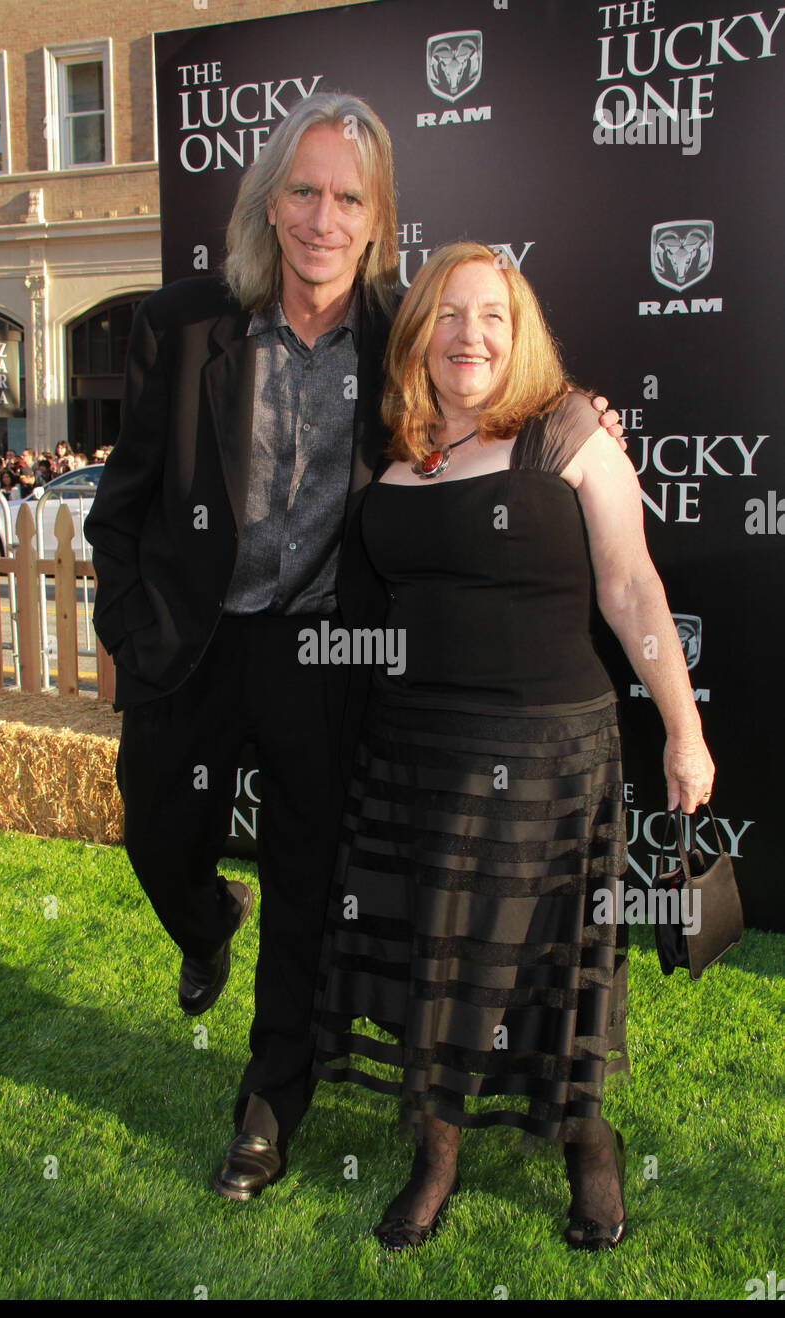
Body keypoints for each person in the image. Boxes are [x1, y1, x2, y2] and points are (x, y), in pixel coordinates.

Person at [84, 94, 624, 1204]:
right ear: (268, 204)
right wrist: (127, 634)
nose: (323, 218)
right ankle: (201, 920)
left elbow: (499, 394)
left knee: (302, 881)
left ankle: (268, 1106)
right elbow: (121, 507)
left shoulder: (399, 335)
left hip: (321, 652)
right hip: (189, 644)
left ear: (377, 222)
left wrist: (578, 419)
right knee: (158, 833)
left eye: (348, 198)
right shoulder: (182, 325)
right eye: (304, 190)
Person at [310, 242, 715, 1254]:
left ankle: (586, 1138)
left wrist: (682, 725)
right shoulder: (393, 443)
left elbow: (631, 588)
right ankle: (435, 1154)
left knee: (544, 964)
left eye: (491, 314)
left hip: (545, 754)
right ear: (417, 335)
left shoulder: (567, 432)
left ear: (520, 328)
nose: (469, 335)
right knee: (429, 963)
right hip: (411, 750)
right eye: (446, 315)